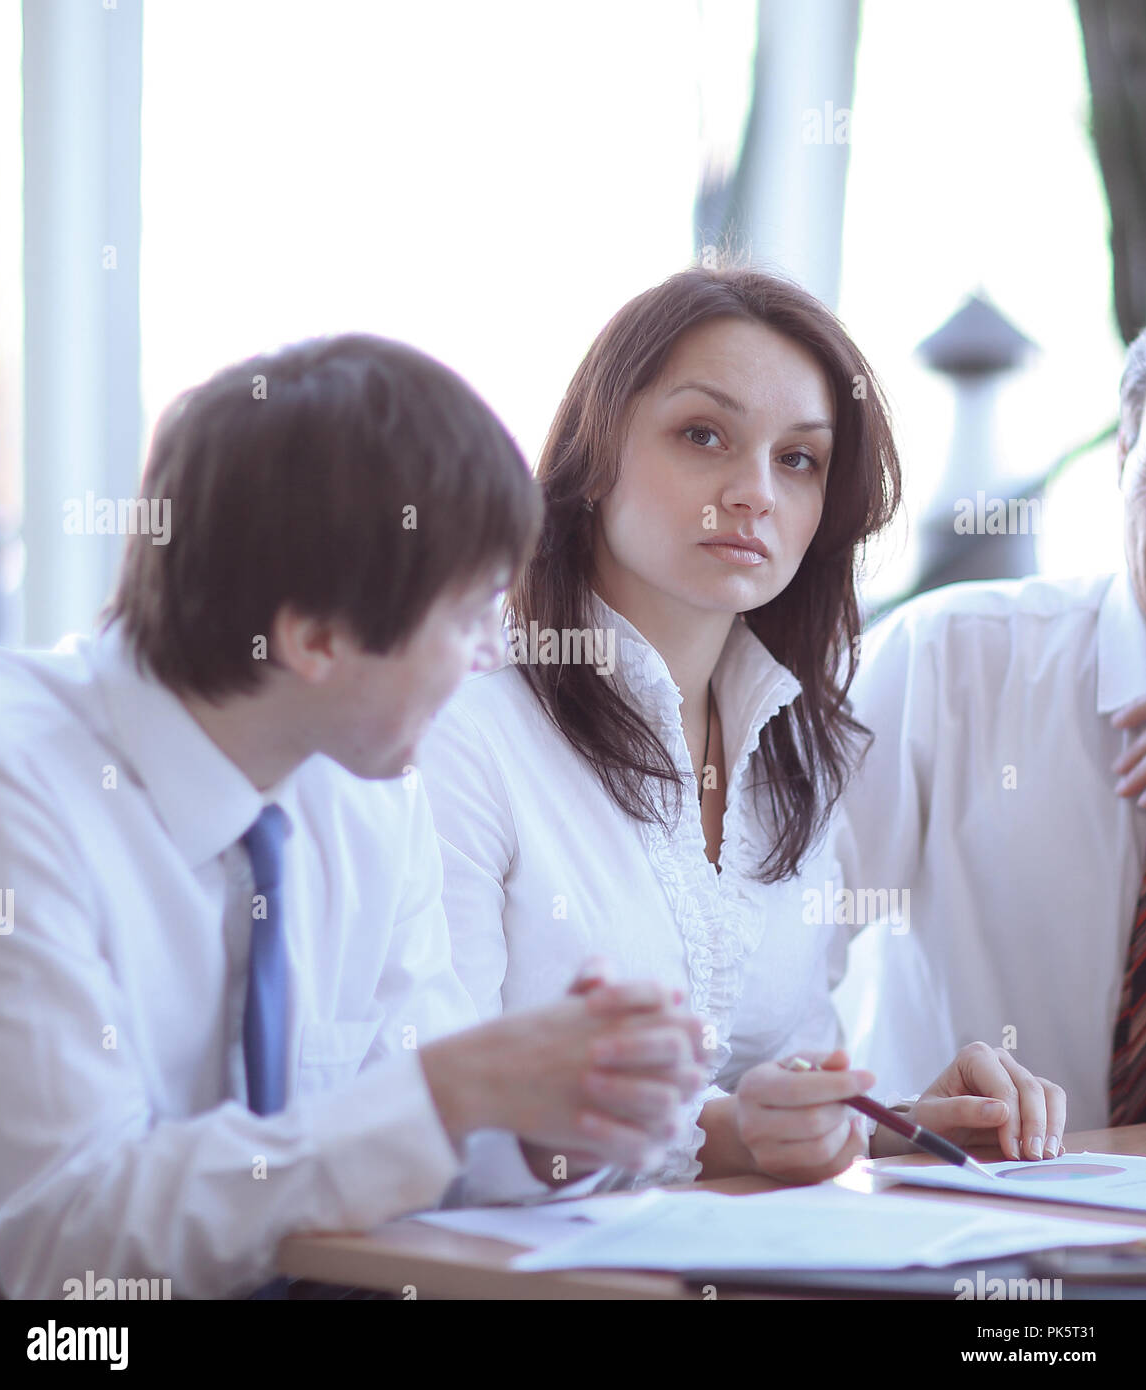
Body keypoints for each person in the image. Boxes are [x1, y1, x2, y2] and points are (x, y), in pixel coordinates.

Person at [0, 334, 708, 1300]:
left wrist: (544, 1116)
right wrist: (450, 1090)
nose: (492, 653)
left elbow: (403, 1137)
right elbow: (57, 1244)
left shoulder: (367, 785)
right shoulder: (10, 792)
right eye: (468, 615)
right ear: (315, 639)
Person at [420, 265, 1063, 1190]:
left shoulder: (805, 758)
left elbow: (785, 1083)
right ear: (594, 457)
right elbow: (444, 1132)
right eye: (702, 435)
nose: (754, 490)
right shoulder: (467, 739)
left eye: (797, 458)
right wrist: (724, 1135)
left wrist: (891, 1126)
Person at [835, 326, 1146, 1136]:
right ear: (1125, 447)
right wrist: (869, 1122)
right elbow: (762, 971)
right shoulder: (945, 661)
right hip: (948, 1217)